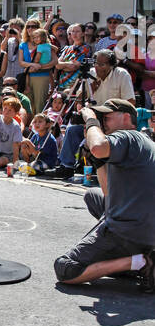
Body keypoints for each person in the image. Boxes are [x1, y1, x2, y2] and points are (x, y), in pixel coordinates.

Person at [54, 98, 155, 290]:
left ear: (126, 118)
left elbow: (98, 147)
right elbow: (109, 193)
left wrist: (91, 121)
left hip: (128, 231)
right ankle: (134, 257)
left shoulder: (127, 136)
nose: (103, 123)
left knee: (65, 268)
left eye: (106, 118)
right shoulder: (142, 143)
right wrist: (98, 158)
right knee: (92, 195)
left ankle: (140, 262)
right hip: (146, 227)